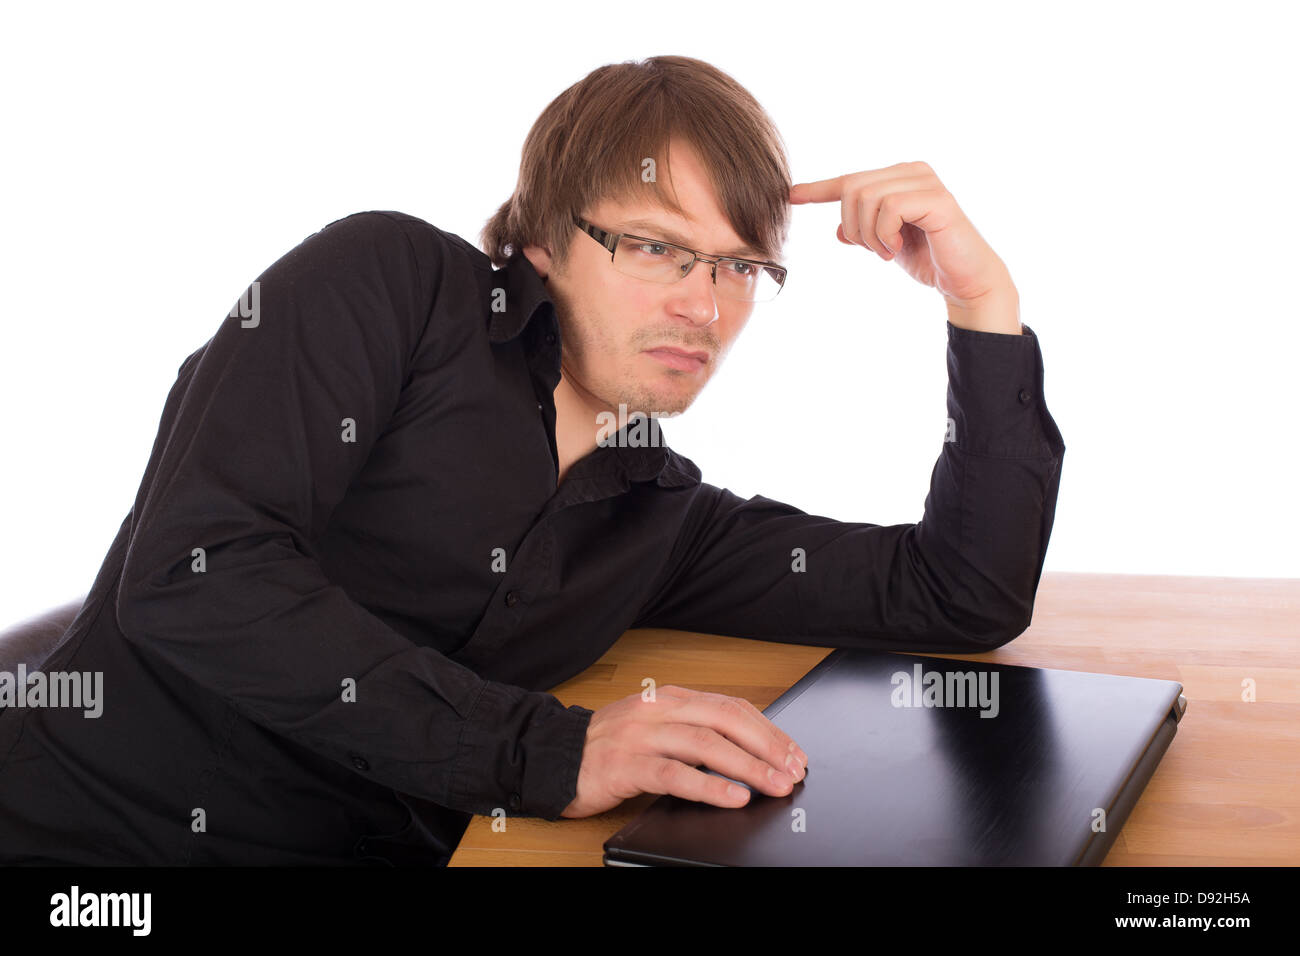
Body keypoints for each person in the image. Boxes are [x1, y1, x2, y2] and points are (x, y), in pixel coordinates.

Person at [0, 55, 1064, 865]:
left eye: (741, 266)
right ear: (545, 239)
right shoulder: (391, 284)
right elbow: (200, 571)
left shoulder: (657, 510)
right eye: (655, 247)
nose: (704, 303)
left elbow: (958, 593)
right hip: (88, 845)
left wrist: (982, 307)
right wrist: (547, 751)